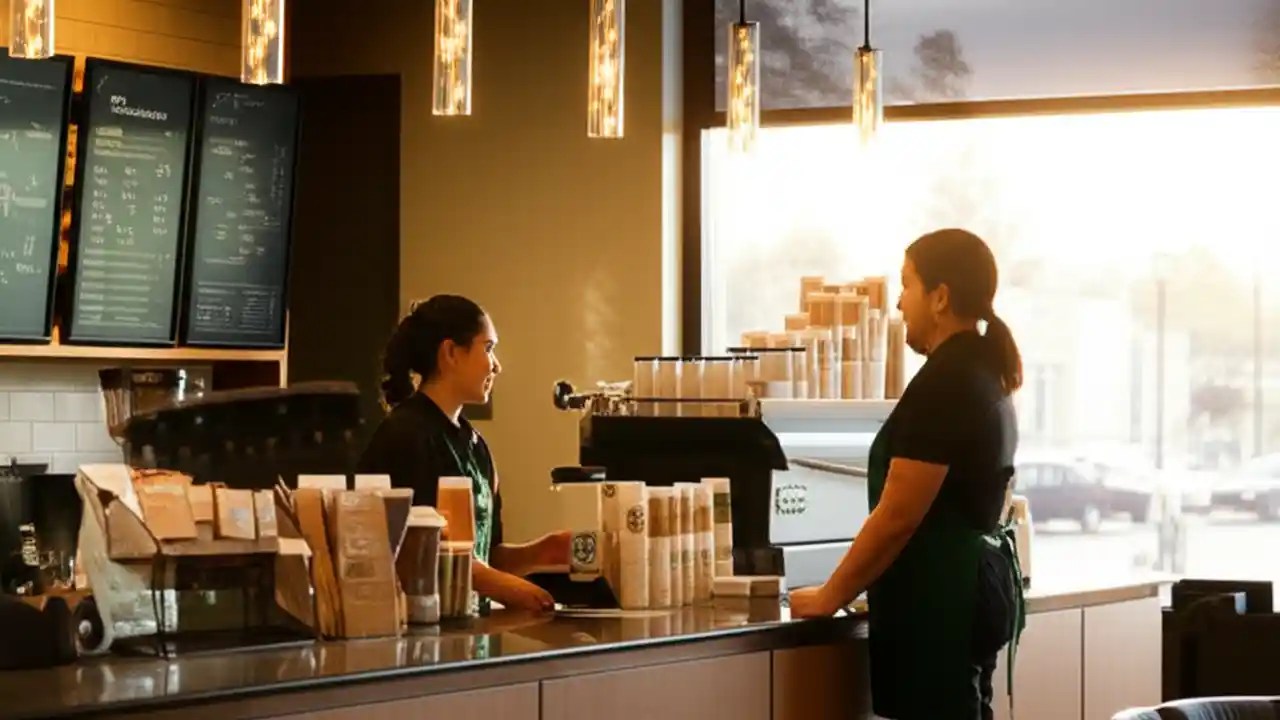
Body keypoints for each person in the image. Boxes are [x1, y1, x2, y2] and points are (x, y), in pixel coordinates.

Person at [789, 229, 1025, 720]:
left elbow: (899, 513)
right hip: (966, 593)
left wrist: (831, 595)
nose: (899, 304)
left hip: (943, 608)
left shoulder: (948, 381)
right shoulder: (982, 370)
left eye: (907, 285)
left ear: (939, 297)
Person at [359, 295, 570, 614]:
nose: (497, 365)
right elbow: (425, 556)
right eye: (488, 348)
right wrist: (523, 595)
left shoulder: (476, 445)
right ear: (451, 353)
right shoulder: (406, 436)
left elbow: (488, 556)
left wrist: (543, 552)